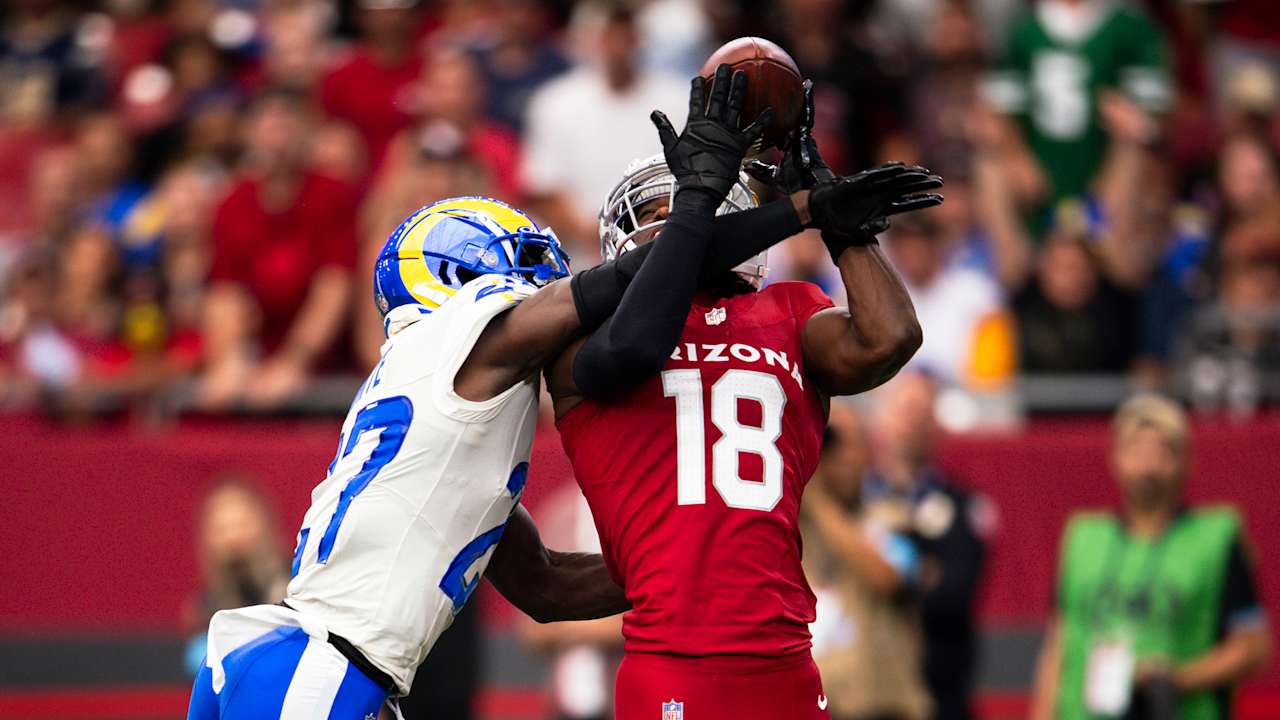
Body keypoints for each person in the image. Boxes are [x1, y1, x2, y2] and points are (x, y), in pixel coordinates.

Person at [188, 64, 902, 720]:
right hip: (326, 663)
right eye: (528, 265)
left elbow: (546, 586)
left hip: (296, 655)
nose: (541, 284)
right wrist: (786, 209)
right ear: (461, 267)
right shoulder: (468, 335)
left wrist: (694, 554)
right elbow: (622, 289)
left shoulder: (449, 405)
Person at [545, 78, 944, 718]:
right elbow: (631, 344)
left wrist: (844, 228)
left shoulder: (788, 312)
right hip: (671, 657)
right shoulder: (586, 337)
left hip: (787, 656)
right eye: (658, 214)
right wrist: (706, 205)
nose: (680, 223)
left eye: (694, 208)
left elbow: (890, 337)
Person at [1030, 394, 1271, 720]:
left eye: (1163, 450)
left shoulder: (1215, 538)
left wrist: (1178, 678)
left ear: (1187, 461)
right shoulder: (1083, 537)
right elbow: (1059, 640)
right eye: (1136, 450)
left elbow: (1254, 647)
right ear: (1115, 457)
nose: (1148, 464)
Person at [862, 371, 989, 720]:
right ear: (879, 417)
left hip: (935, 693)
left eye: (923, 410)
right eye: (904, 409)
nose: (912, 422)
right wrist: (923, 571)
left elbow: (954, 591)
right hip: (861, 690)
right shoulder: (853, 503)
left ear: (937, 424)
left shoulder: (963, 505)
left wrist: (882, 574)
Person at [802, 402, 933, 720]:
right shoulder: (791, 527)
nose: (841, 456)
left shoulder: (894, 516)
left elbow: (886, 576)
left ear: (867, 451)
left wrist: (817, 500)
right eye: (831, 441)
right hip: (817, 704)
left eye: (852, 442)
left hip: (883, 707)